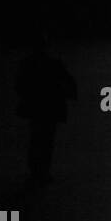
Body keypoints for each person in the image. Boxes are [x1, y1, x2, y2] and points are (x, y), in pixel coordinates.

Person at [15, 29, 77, 184]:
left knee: (36, 139)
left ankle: (36, 171)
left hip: (36, 108)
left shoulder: (27, 64)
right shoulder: (54, 64)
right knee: (47, 140)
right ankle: (43, 171)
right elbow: (69, 83)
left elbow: (19, 86)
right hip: (50, 108)